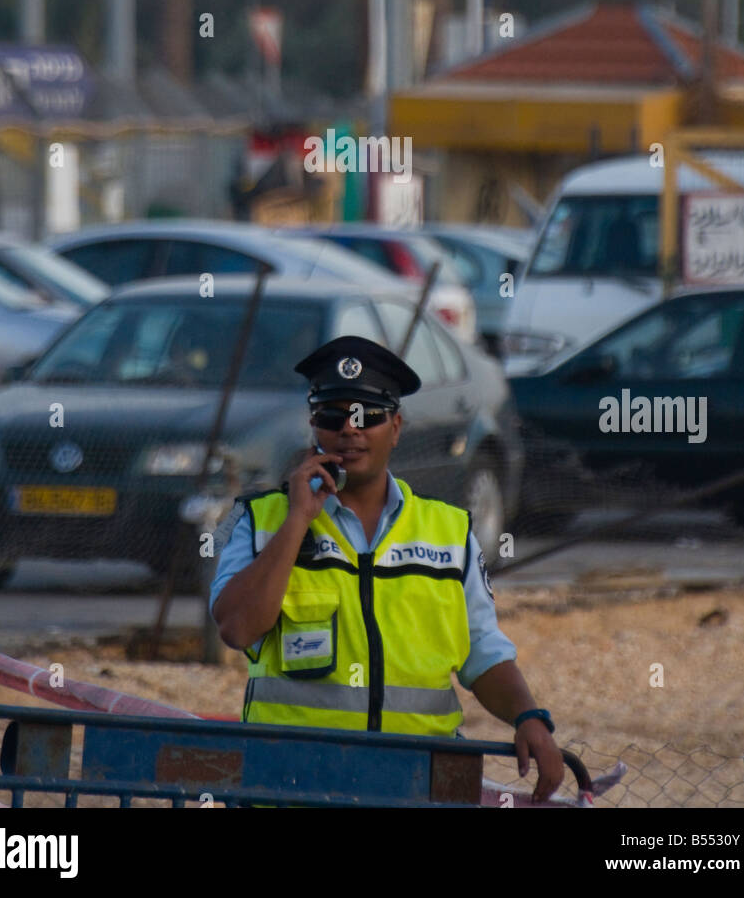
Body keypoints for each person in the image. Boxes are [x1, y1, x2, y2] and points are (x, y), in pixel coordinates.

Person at [210, 335, 565, 802]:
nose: (350, 431)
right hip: (291, 790)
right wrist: (298, 520)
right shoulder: (260, 521)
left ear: (396, 427)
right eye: (334, 416)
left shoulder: (447, 530)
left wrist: (528, 717)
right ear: (314, 424)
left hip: (417, 788)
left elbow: (482, 650)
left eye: (367, 416)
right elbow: (236, 627)